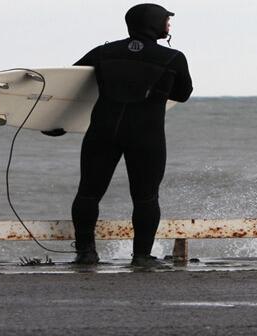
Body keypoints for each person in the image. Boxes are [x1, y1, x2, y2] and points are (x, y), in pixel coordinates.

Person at [57, 3, 193, 268]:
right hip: (146, 135)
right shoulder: (173, 57)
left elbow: (69, 84)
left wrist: (58, 121)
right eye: (167, 20)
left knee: (88, 193)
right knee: (145, 197)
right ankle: (141, 257)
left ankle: (85, 253)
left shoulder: (103, 52)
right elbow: (183, 94)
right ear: (154, 23)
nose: (169, 25)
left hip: (102, 131)